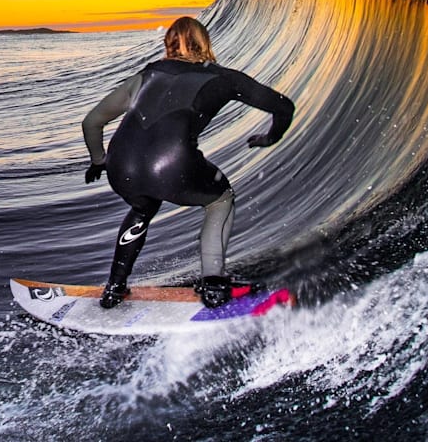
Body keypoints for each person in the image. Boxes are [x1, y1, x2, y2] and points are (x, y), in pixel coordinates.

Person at [80, 16, 294, 309]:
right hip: (172, 166)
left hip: (121, 165)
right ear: (205, 41)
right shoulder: (224, 78)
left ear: (168, 44)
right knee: (220, 200)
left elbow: (92, 121)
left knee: (142, 207)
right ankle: (214, 284)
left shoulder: (148, 74)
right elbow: (283, 106)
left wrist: (98, 161)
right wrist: (271, 137)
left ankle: (115, 287)